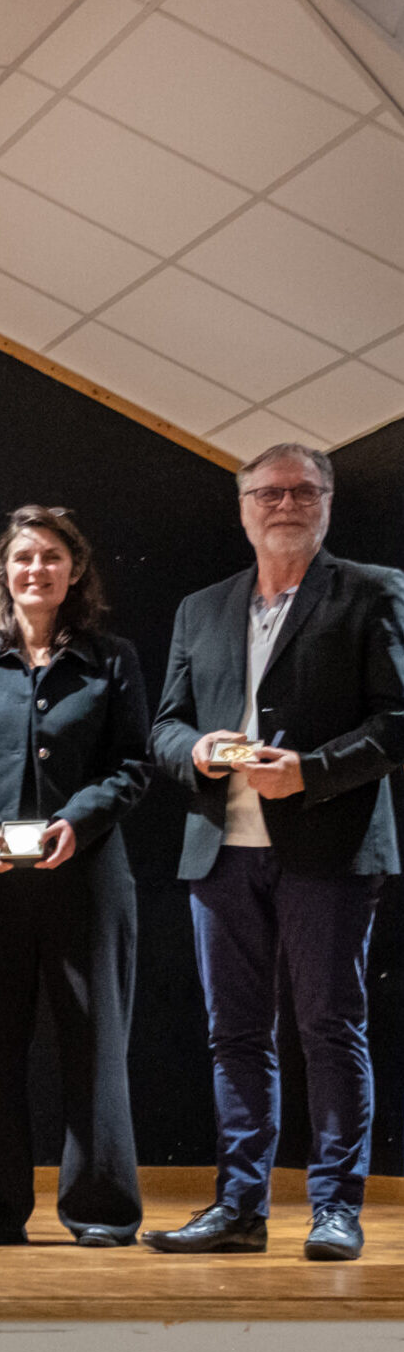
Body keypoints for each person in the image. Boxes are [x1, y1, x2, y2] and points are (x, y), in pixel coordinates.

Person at [144, 444, 404, 1262]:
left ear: (325, 502)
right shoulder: (201, 607)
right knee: (233, 1035)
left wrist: (311, 772)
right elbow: (164, 725)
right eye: (267, 492)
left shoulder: (371, 590)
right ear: (242, 507)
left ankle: (335, 1209)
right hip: (220, 850)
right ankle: (238, 1207)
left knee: (328, 1028)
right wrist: (196, 750)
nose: (284, 504)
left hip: (329, 845)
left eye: (301, 491)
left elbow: (396, 721)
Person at [0, 505, 148, 1247]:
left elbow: (133, 765)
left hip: (87, 881)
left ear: (74, 570)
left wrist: (76, 821)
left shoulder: (112, 658)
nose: (36, 570)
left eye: (51, 556)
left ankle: (101, 1210)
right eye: (23, 558)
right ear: (3, 571)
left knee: (95, 1047)